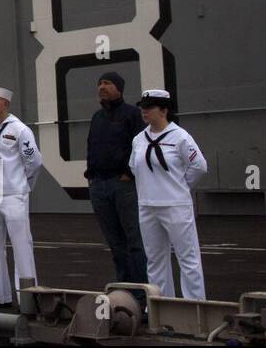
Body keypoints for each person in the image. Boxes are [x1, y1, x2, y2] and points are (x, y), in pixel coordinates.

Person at [132, 89, 207, 299]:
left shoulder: (180, 137)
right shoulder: (139, 139)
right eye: (143, 107)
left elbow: (199, 166)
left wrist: (180, 187)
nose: (144, 111)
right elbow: (134, 168)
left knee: (188, 259)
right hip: (147, 205)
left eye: (149, 107)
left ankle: (195, 308)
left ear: (164, 110)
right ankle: (162, 308)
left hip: (175, 205)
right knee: (155, 260)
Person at [85, 72, 147, 300]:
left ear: (119, 89)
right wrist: (90, 176)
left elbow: (139, 147)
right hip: (99, 185)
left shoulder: (132, 114)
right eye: (100, 83)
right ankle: (124, 289)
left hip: (122, 186)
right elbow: (91, 147)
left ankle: (142, 293)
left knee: (134, 240)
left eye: (107, 83)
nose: (102, 86)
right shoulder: (97, 117)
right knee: (115, 242)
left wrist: (127, 174)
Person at [0, 85, 42, 309]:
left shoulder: (20, 130)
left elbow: (33, 161)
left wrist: (23, 186)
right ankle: (1, 295)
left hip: (14, 194)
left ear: (5, 104)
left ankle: (27, 296)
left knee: (21, 246)